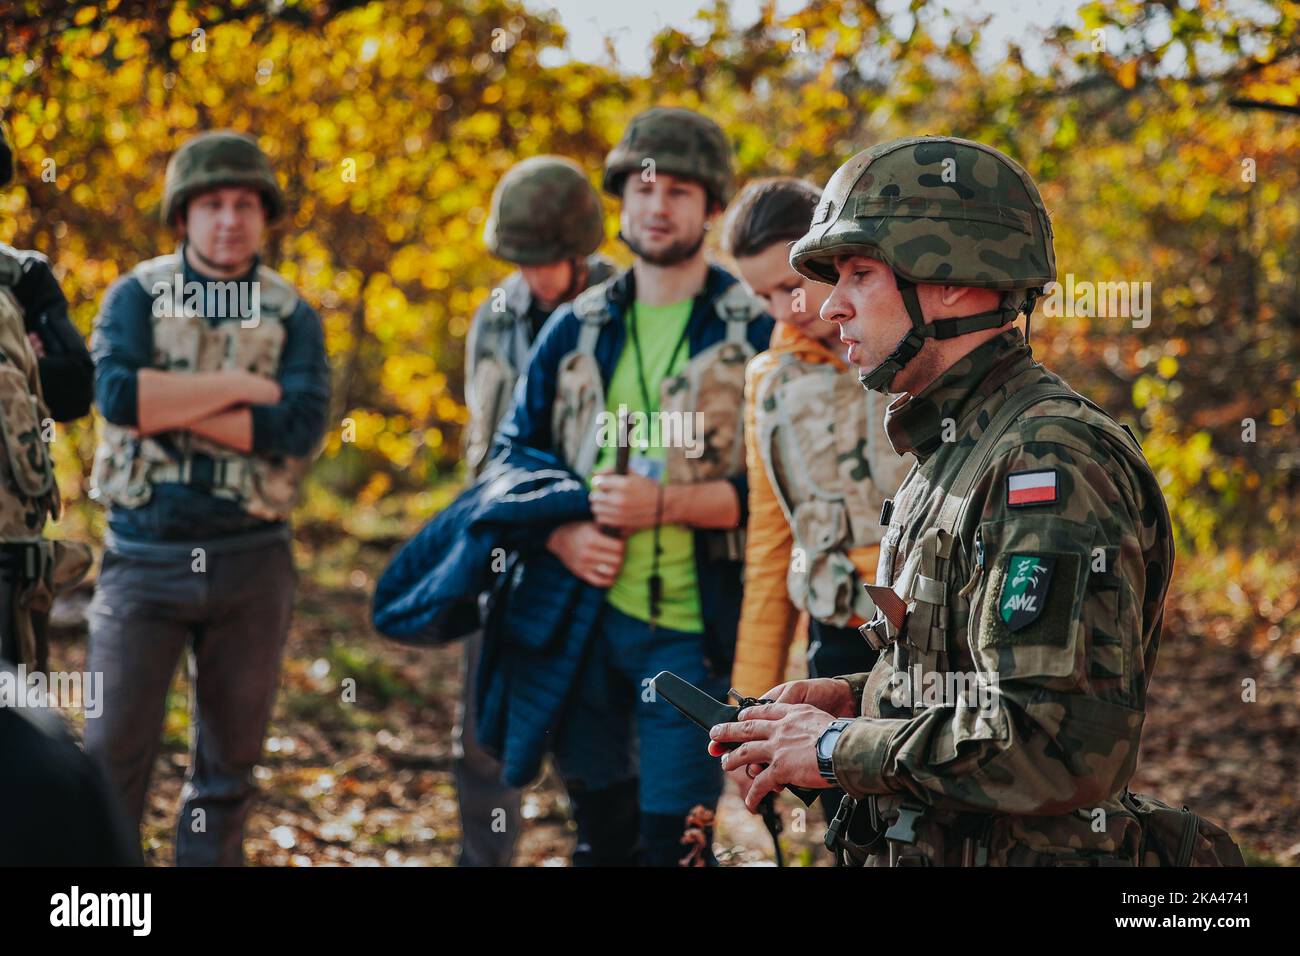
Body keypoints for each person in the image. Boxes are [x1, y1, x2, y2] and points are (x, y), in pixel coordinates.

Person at [709, 136, 1175, 867]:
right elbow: (965, 676)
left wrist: (833, 748)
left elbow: (1052, 742)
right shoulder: (950, 446)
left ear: (954, 279)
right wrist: (855, 697)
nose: (830, 306)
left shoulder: (1049, 460)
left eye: (860, 273)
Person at [489, 106, 773, 865]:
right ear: (620, 201)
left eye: (680, 191)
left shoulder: (756, 330)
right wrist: (561, 531)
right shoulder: (576, 327)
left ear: (713, 206)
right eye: (643, 188)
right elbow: (508, 458)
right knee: (602, 841)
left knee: (674, 846)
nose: (657, 205)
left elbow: (789, 494)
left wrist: (670, 505)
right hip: (581, 626)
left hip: (691, 634)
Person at [86, 130, 331, 865]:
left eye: (246, 205)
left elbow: (298, 426)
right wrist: (246, 389)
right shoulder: (136, 294)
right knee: (110, 757)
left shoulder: (292, 314)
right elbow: (122, 398)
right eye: (213, 204)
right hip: (143, 558)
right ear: (184, 214)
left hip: (252, 561)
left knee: (227, 772)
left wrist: (178, 403)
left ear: (265, 217)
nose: (230, 219)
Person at [720, 177, 912, 825]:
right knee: (851, 828)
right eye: (763, 295)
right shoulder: (769, 383)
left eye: (793, 281)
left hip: (924, 624)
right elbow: (773, 546)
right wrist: (744, 701)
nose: (786, 306)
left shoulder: (910, 359)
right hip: (835, 638)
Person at [455, 155, 614, 867]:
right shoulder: (494, 319)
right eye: (520, 260)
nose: (533, 276)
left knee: (607, 749)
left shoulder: (631, 306)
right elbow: (486, 449)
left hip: (610, 557)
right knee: (484, 740)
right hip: (514, 555)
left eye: (546, 260)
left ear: (581, 249)